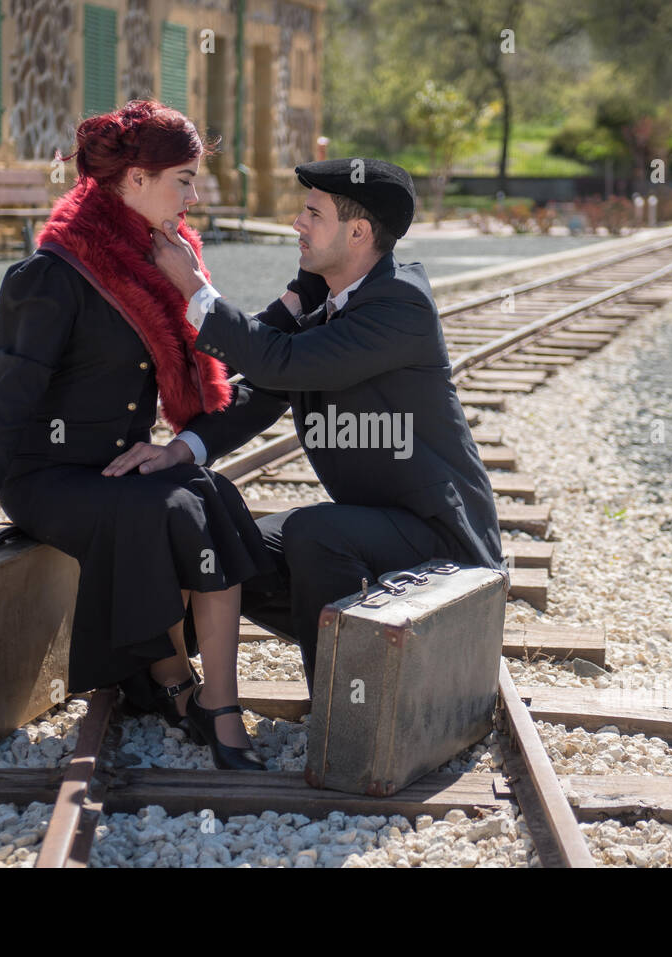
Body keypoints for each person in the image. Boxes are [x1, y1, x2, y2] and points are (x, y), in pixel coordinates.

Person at [0, 100, 274, 770]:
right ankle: (174, 682)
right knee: (159, 508)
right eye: (183, 178)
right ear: (132, 181)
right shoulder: (56, 274)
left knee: (208, 495)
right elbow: (10, 401)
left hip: (117, 465)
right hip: (48, 477)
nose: (194, 194)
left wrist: (207, 299)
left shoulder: (162, 259)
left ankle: (219, 702)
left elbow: (225, 375)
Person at [142, 157, 506, 696]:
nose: (297, 224)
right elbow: (257, 390)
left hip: (444, 546)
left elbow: (279, 362)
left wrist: (196, 289)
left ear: (358, 232)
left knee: (315, 533)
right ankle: (159, 681)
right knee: (224, 539)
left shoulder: (399, 305)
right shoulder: (337, 305)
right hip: (381, 531)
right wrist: (184, 450)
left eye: (313, 213)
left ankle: (346, 707)